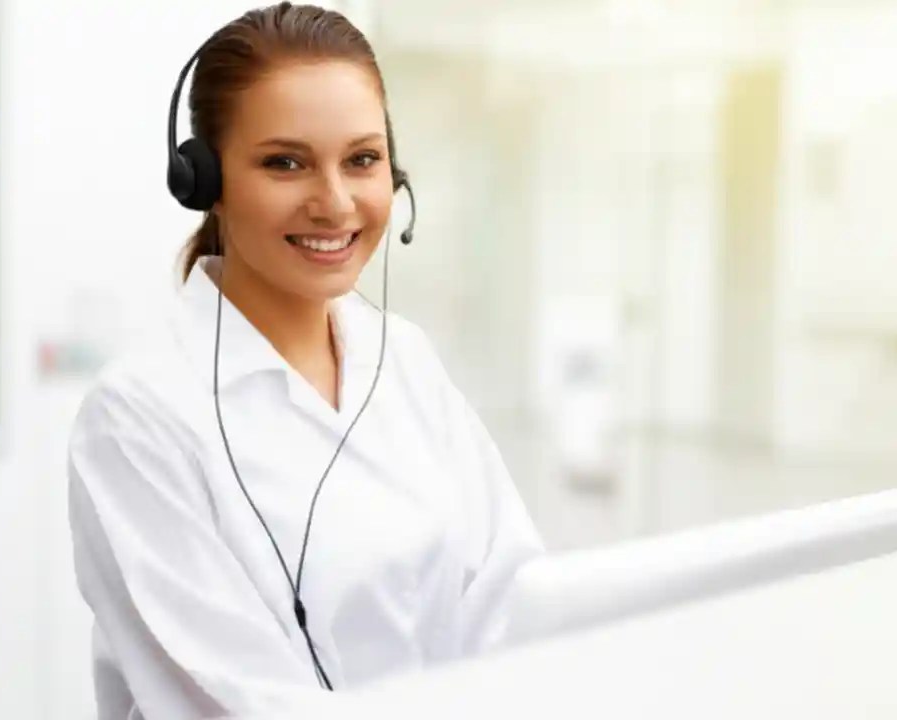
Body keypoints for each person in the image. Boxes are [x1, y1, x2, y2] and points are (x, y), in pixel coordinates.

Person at [66, 4, 544, 718]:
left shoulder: (403, 358)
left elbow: (514, 600)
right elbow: (235, 700)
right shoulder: (138, 415)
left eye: (362, 160)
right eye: (285, 163)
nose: (335, 202)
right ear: (205, 182)